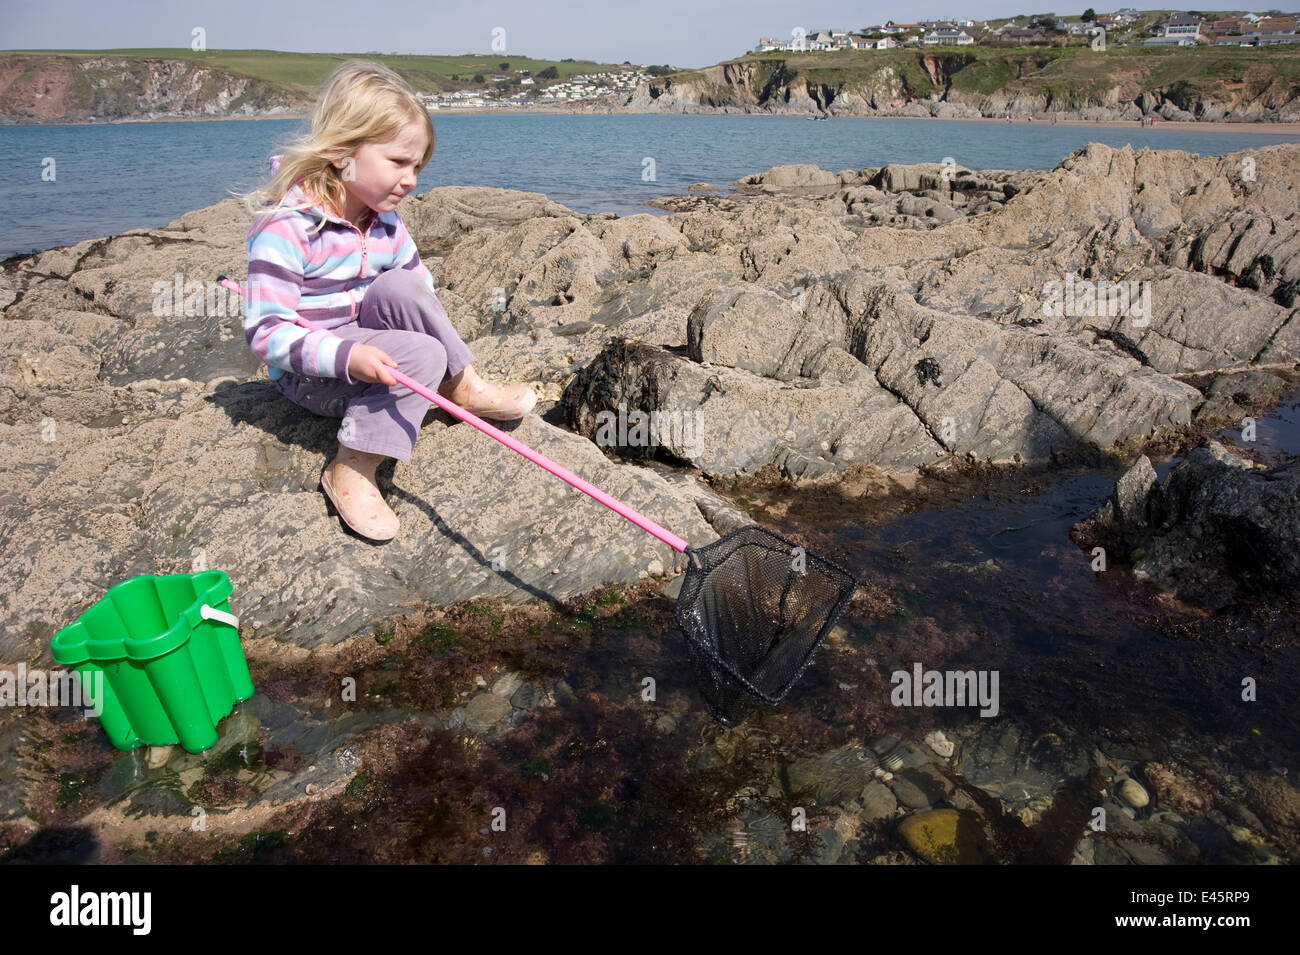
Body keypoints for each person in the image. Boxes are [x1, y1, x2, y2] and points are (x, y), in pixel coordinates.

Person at [236, 60, 536, 542]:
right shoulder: (287, 227)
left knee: (402, 286)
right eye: (398, 162)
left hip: (365, 338)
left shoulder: (385, 219)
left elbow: (418, 287)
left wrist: (407, 325)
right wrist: (349, 355)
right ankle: (353, 466)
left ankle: (464, 383)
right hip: (313, 373)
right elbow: (267, 334)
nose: (411, 178)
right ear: (342, 153)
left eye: (418, 165)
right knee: (422, 355)